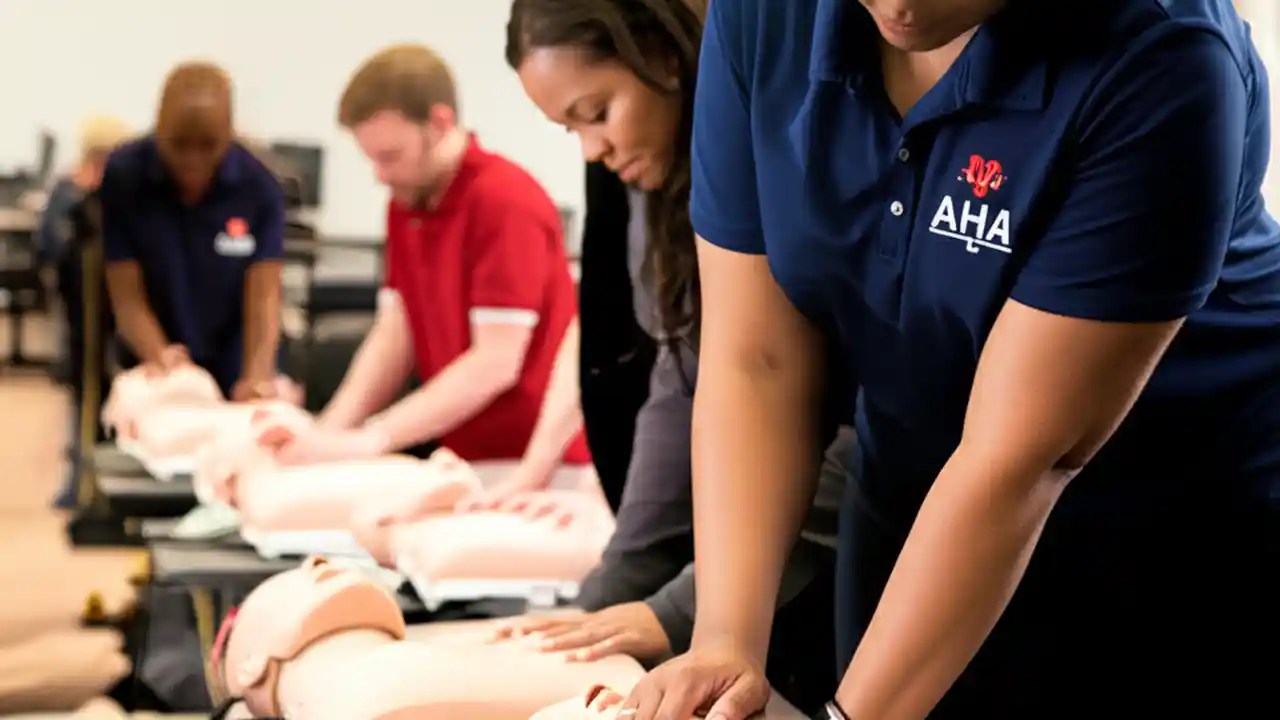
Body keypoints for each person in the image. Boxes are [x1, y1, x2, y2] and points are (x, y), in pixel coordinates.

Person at [621, 0, 1280, 718]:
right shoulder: (765, 15)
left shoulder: (1165, 55)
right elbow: (758, 358)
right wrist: (724, 642)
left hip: (1172, 499)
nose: (899, 5)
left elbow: (1023, 459)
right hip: (916, 458)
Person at [475, 0, 852, 712]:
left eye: (597, 112)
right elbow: (681, 387)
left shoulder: (787, 163)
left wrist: (678, 612)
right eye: (570, 128)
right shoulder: (657, 193)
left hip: (857, 555)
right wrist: (613, 592)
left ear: (665, 58)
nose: (592, 150)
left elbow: (836, 429)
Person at [268, 44, 590, 467]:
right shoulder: (407, 204)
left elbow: (496, 361)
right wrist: (328, 432)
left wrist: (374, 437)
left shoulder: (505, 200)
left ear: (440, 123)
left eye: (390, 157)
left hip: (539, 462)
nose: (380, 176)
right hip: (464, 456)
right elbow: (395, 333)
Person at [100, 62, 285, 402]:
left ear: (229, 132)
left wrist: (256, 378)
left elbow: (264, 298)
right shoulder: (125, 177)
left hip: (233, 348)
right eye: (179, 146)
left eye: (208, 146)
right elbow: (125, 292)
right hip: (151, 347)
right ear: (159, 128)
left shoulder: (259, 189)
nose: (193, 160)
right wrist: (161, 355)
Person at [40, 116, 132, 508]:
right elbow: (50, 249)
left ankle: (107, 486)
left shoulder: (123, 196)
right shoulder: (69, 194)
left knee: (113, 401)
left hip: (117, 321)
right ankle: (79, 482)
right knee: (84, 399)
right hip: (81, 318)